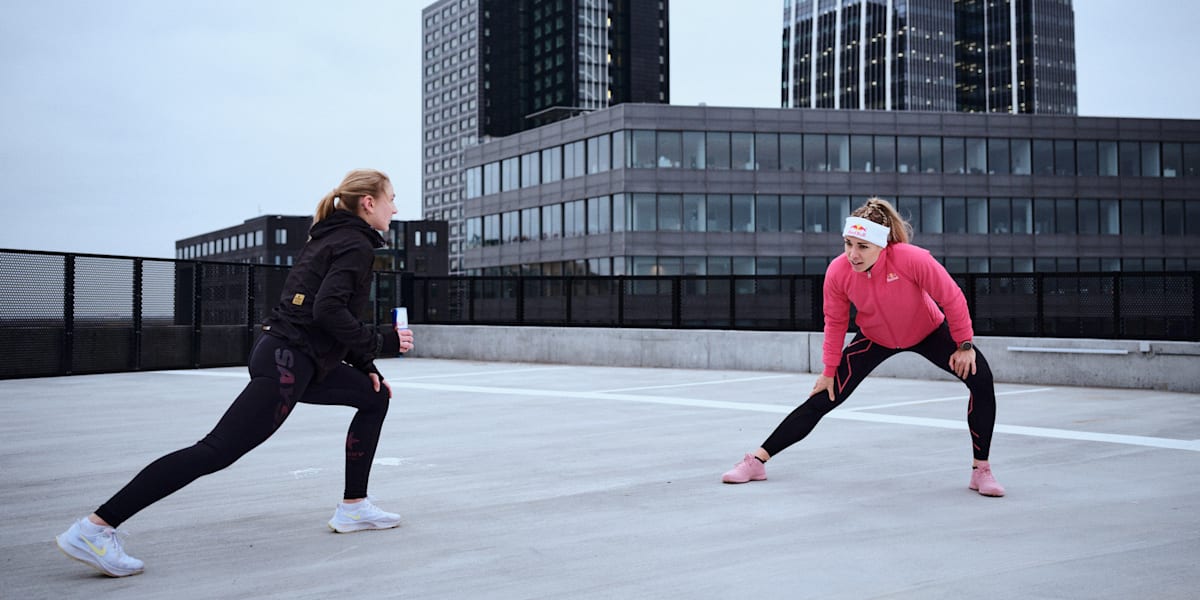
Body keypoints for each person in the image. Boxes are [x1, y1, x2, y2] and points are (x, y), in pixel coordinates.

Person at [56, 169, 416, 577]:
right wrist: (383, 342)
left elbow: (325, 312)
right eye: (391, 198)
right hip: (289, 362)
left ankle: (354, 506)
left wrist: (366, 365)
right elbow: (327, 311)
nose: (394, 208)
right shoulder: (354, 244)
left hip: (291, 355)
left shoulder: (331, 237)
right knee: (216, 450)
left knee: (374, 396)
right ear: (368, 203)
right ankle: (95, 528)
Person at [721, 197, 1005, 498]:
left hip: (928, 332)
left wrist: (964, 344)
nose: (853, 254)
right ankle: (756, 462)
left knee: (981, 380)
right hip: (875, 338)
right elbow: (835, 322)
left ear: (882, 245)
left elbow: (952, 297)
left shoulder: (911, 259)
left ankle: (981, 470)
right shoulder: (838, 271)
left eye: (862, 246)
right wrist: (828, 371)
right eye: (848, 244)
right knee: (824, 396)